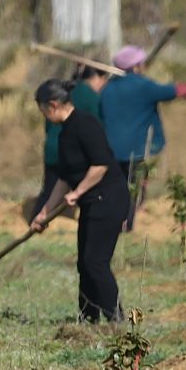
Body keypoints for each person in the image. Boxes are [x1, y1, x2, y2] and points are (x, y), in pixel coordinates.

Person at [30, 79, 130, 323]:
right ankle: (87, 319)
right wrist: (44, 213)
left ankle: (116, 319)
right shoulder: (65, 133)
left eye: (43, 110)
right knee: (84, 265)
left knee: (95, 262)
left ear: (53, 105)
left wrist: (78, 191)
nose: (43, 116)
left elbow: (101, 165)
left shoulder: (86, 124)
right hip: (91, 203)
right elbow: (64, 179)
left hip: (108, 200)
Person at [99, 45, 186, 231]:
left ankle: (113, 223)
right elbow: (171, 91)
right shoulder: (143, 86)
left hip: (110, 149)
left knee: (115, 188)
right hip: (136, 149)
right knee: (133, 189)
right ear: (136, 66)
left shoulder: (107, 89)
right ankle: (126, 226)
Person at [29, 66, 110, 222]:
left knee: (49, 189)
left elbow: (47, 127)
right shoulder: (89, 97)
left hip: (52, 149)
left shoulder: (56, 95)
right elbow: (98, 126)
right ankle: (40, 220)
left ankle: (37, 220)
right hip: (76, 154)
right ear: (94, 78)